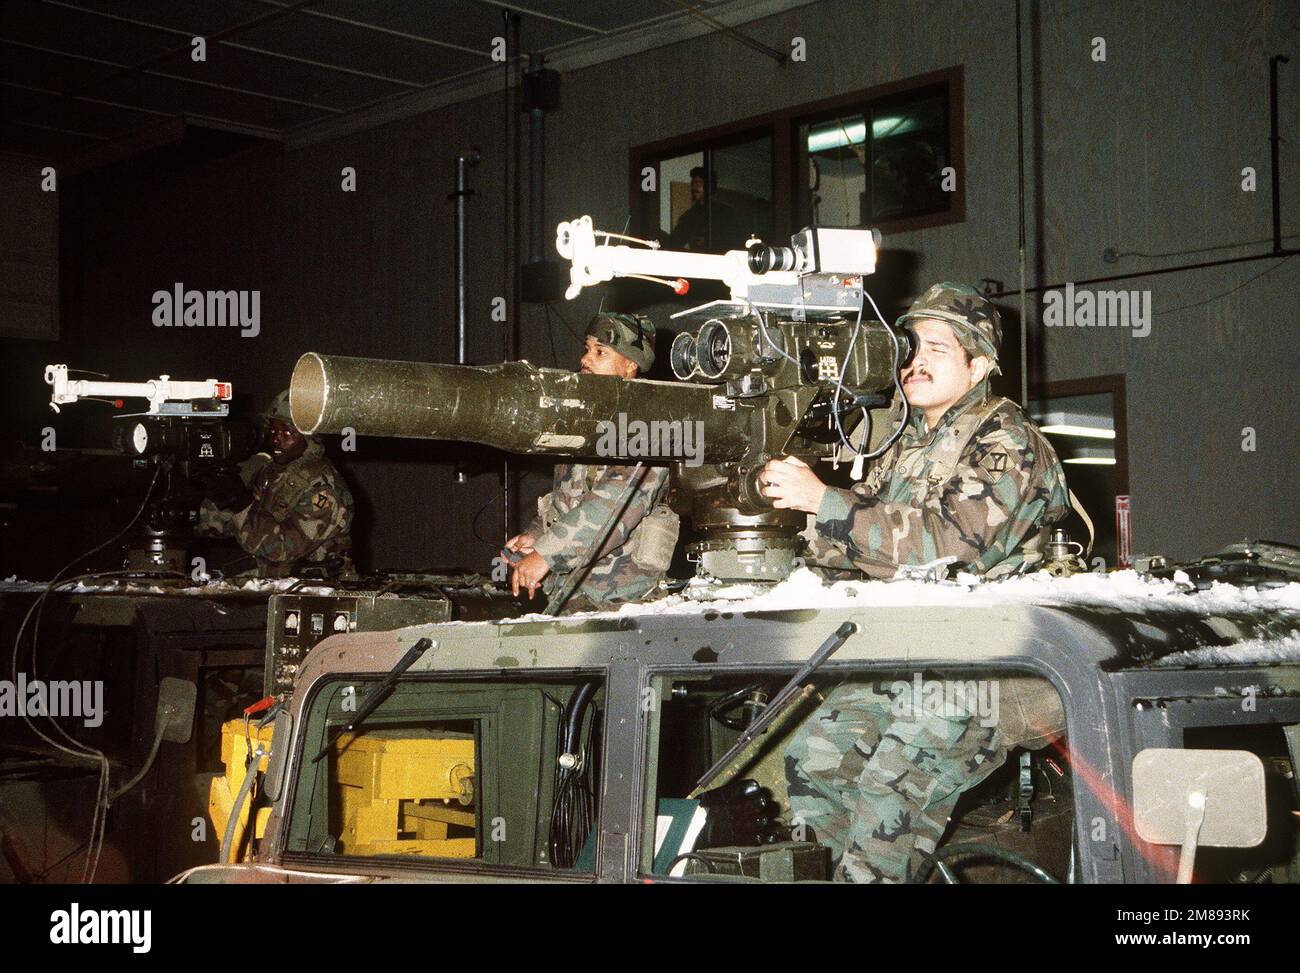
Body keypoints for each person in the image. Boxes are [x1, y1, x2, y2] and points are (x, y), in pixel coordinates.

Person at [761, 282, 1070, 882]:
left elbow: (948, 548)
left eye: (937, 349)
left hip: (1003, 661)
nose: (915, 361)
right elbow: (859, 544)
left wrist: (826, 503)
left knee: (892, 781)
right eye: (910, 347)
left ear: (979, 366)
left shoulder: (1007, 445)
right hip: (924, 655)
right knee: (815, 758)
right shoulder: (903, 446)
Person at [504, 313, 679, 613]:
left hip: (624, 602)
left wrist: (546, 555)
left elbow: (611, 510)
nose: (586, 359)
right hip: (572, 596)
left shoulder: (648, 426)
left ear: (630, 365)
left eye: (600, 352)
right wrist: (536, 536)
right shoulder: (588, 424)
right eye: (587, 349)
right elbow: (566, 501)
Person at [198, 390, 354, 577]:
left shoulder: (324, 491)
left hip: (315, 594)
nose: (275, 439)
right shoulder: (270, 472)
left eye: (286, 432)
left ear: (310, 437)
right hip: (270, 585)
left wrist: (240, 502)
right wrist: (210, 497)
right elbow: (225, 526)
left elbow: (281, 549)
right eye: (273, 430)